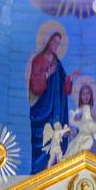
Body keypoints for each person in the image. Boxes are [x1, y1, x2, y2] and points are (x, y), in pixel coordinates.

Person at [28, 29, 74, 173]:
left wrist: (68, 81)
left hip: (56, 110)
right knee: (42, 141)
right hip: (42, 109)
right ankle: (39, 173)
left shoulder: (58, 63)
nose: (55, 45)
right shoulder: (38, 60)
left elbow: (65, 90)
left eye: (58, 44)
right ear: (48, 42)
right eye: (54, 42)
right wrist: (47, 74)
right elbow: (35, 87)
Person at [65, 81, 96, 157]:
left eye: (88, 93)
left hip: (90, 137)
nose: (86, 96)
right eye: (83, 94)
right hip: (80, 137)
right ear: (80, 96)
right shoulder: (78, 110)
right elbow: (73, 125)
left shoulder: (92, 110)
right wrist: (69, 130)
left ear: (91, 95)